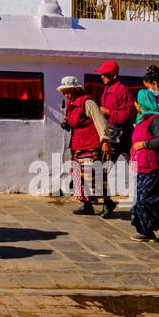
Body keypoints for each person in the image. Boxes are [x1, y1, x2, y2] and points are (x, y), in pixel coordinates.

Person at [56, 75, 116, 217]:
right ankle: (87, 205)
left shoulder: (88, 102)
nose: (66, 95)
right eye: (64, 92)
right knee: (79, 176)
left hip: (91, 145)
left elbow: (99, 120)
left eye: (68, 91)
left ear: (76, 89)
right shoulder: (71, 104)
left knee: (94, 175)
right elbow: (74, 120)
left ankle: (108, 202)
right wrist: (66, 122)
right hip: (77, 145)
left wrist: (105, 140)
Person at [128, 87, 159, 241]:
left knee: (148, 199)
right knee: (140, 199)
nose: (136, 105)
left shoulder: (156, 120)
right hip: (141, 166)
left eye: (137, 102)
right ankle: (145, 230)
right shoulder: (142, 119)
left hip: (152, 166)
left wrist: (144, 145)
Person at [96, 60, 135, 161]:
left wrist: (108, 112)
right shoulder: (106, 89)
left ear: (114, 75)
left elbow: (129, 115)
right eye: (101, 74)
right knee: (103, 167)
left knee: (134, 168)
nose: (102, 77)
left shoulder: (122, 90)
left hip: (122, 136)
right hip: (111, 135)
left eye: (104, 74)